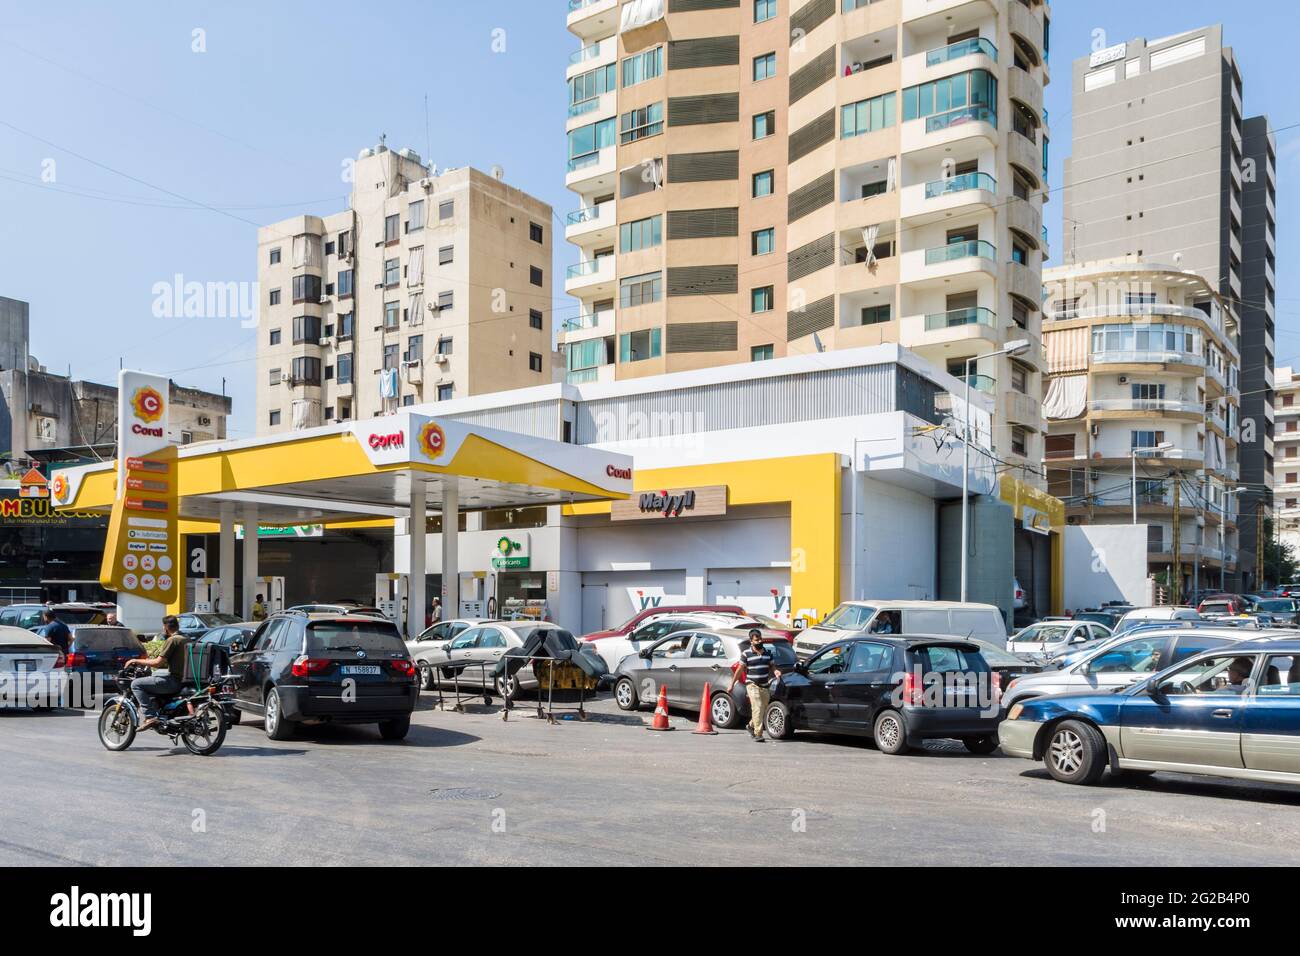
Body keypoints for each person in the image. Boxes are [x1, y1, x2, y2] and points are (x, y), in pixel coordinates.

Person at [124, 616, 193, 731]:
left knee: (136, 684)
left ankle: (150, 716)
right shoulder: (187, 639)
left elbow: (158, 663)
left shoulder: (173, 640)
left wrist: (135, 660)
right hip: (185, 681)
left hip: (174, 682)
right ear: (177, 625)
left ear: (165, 627)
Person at [727, 629, 783, 743]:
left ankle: (750, 725)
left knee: (762, 709)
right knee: (757, 708)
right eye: (757, 640)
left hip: (765, 685)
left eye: (760, 639)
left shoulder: (768, 653)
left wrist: (776, 671)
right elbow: (739, 670)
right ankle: (758, 733)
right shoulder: (746, 654)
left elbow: (772, 666)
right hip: (752, 684)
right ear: (751, 641)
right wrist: (732, 684)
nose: (759, 641)